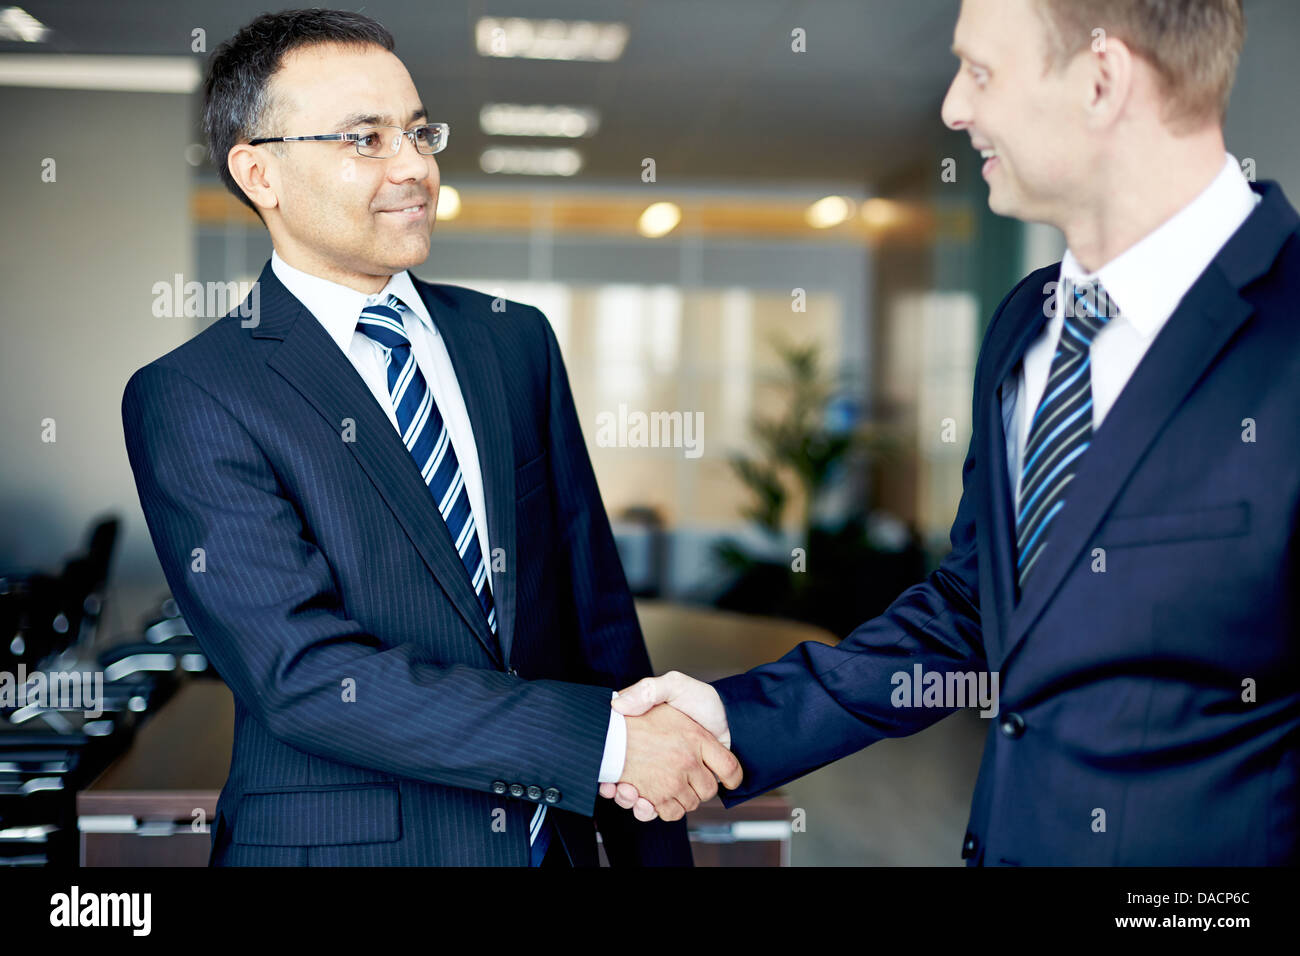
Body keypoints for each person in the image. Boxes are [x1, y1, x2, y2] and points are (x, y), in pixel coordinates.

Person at [603, 0, 1299, 865]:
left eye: (980, 71)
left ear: (1100, 78)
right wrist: (734, 715)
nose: (953, 109)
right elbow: (972, 607)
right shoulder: (1026, 324)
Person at [121, 8, 738, 867]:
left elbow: (593, 617)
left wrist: (649, 845)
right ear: (258, 172)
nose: (414, 167)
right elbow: (300, 675)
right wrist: (604, 746)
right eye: (364, 139)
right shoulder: (193, 395)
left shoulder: (511, 339)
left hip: (546, 845)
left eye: (419, 132)